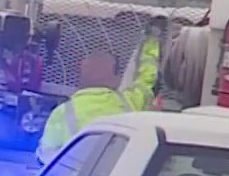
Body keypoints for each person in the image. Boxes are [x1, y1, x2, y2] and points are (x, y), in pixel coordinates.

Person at [34, 16, 166, 165]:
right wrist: (153, 39)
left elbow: (46, 156)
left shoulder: (62, 113)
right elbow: (147, 78)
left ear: (80, 78)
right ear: (116, 78)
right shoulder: (129, 102)